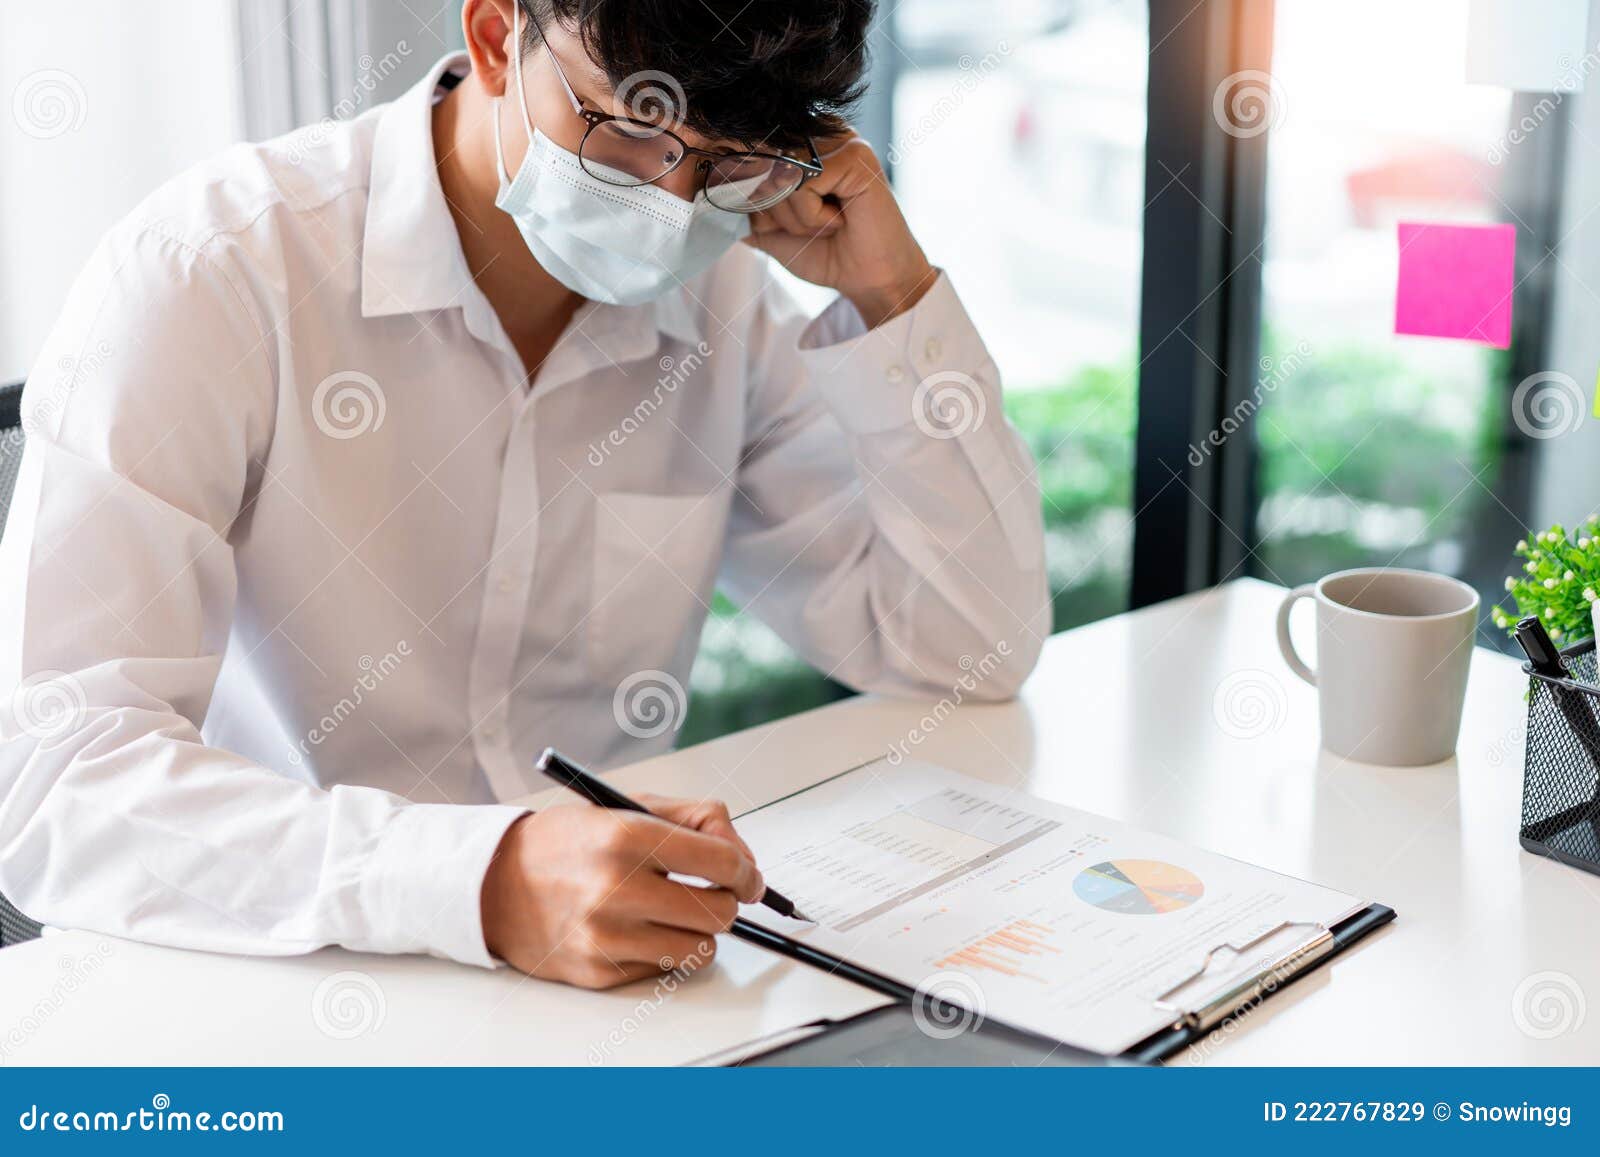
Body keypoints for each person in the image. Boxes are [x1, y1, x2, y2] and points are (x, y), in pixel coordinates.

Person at [0, 0, 1049, 988]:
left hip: (616, 987)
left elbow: (963, 650)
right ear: (499, 34)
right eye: (630, 126)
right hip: (276, 969)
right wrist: (484, 879)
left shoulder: (723, 297)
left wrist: (891, 296)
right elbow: (53, 785)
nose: (668, 203)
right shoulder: (213, 272)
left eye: (727, 157)